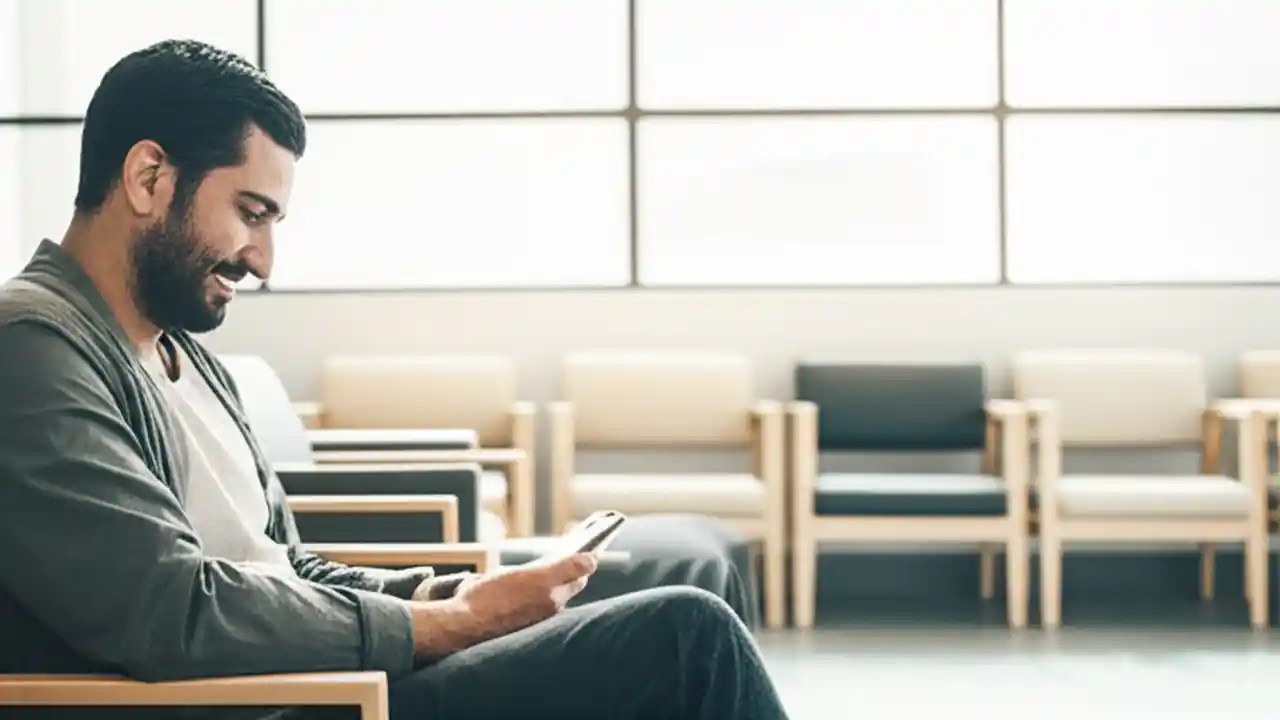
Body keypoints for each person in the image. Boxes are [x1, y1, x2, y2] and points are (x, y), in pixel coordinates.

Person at [0, 40, 789, 720]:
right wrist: (455, 623)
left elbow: (287, 567)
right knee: (687, 640)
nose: (263, 260)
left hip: (320, 683)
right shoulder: (31, 348)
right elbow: (171, 612)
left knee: (695, 572)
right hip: (267, 705)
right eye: (250, 212)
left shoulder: (184, 352)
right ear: (148, 179)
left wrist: (436, 596)